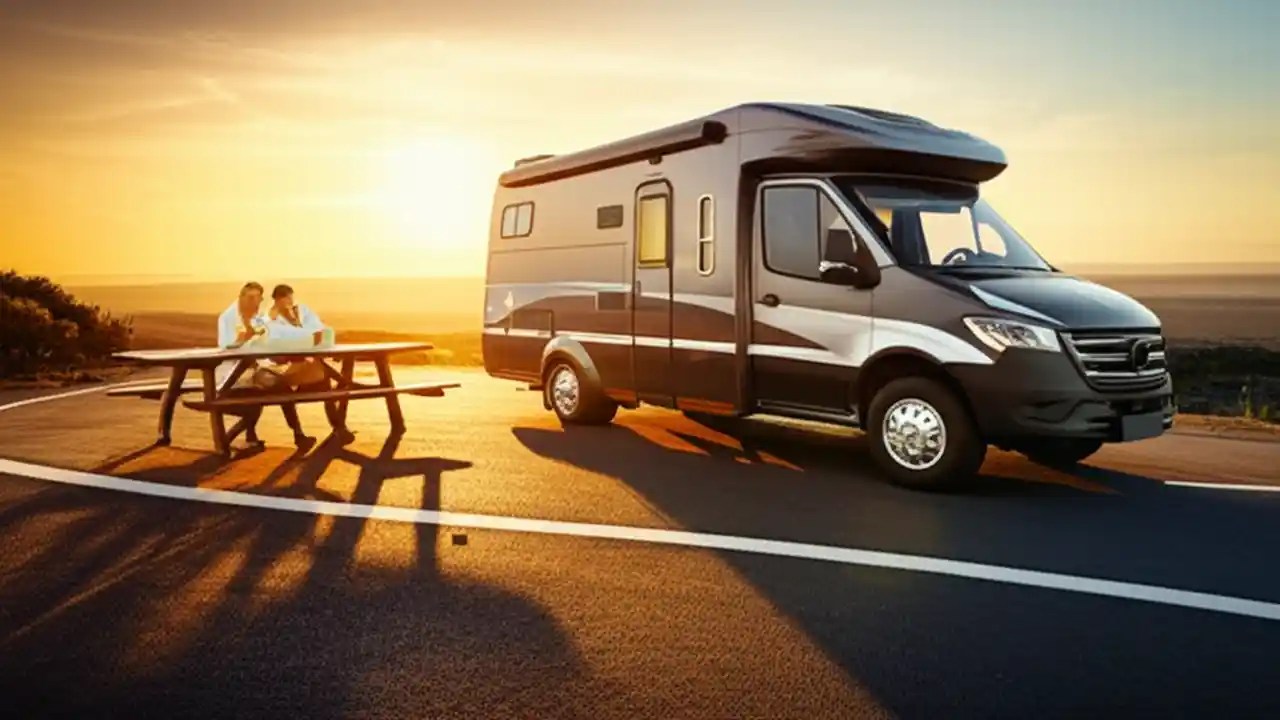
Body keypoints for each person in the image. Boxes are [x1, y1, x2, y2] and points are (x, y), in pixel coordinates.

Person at [217, 281, 310, 448]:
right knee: (257, 400)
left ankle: (298, 435)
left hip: (253, 374)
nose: (255, 302)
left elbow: (265, 346)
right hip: (230, 379)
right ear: (241, 297)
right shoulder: (228, 319)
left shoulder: (257, 320)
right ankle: (228, 439)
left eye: (258, 298)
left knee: (282, 388)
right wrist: (245, 338)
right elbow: (226, 348)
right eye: (250, 298)